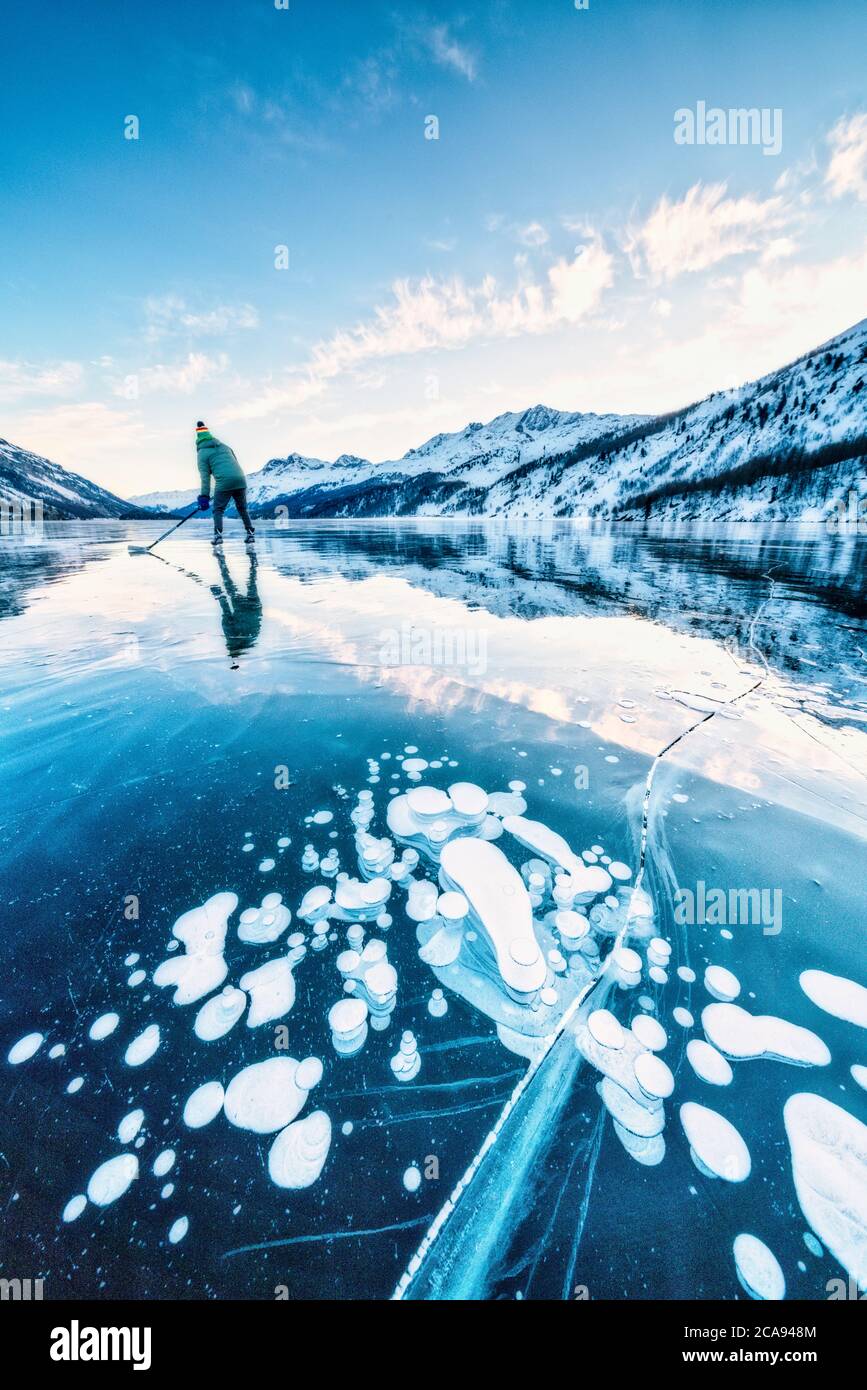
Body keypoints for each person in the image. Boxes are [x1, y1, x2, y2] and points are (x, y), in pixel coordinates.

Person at [195, 421, 255, 546]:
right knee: (242, 508)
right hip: (240, 478)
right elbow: (235, 462)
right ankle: (250, 534)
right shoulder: (225, 446)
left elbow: (205, 477)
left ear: (198, 440)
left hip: (224, 482)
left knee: (218, 509)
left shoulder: (202, 453)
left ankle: (218, 536)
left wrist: (204, 496)